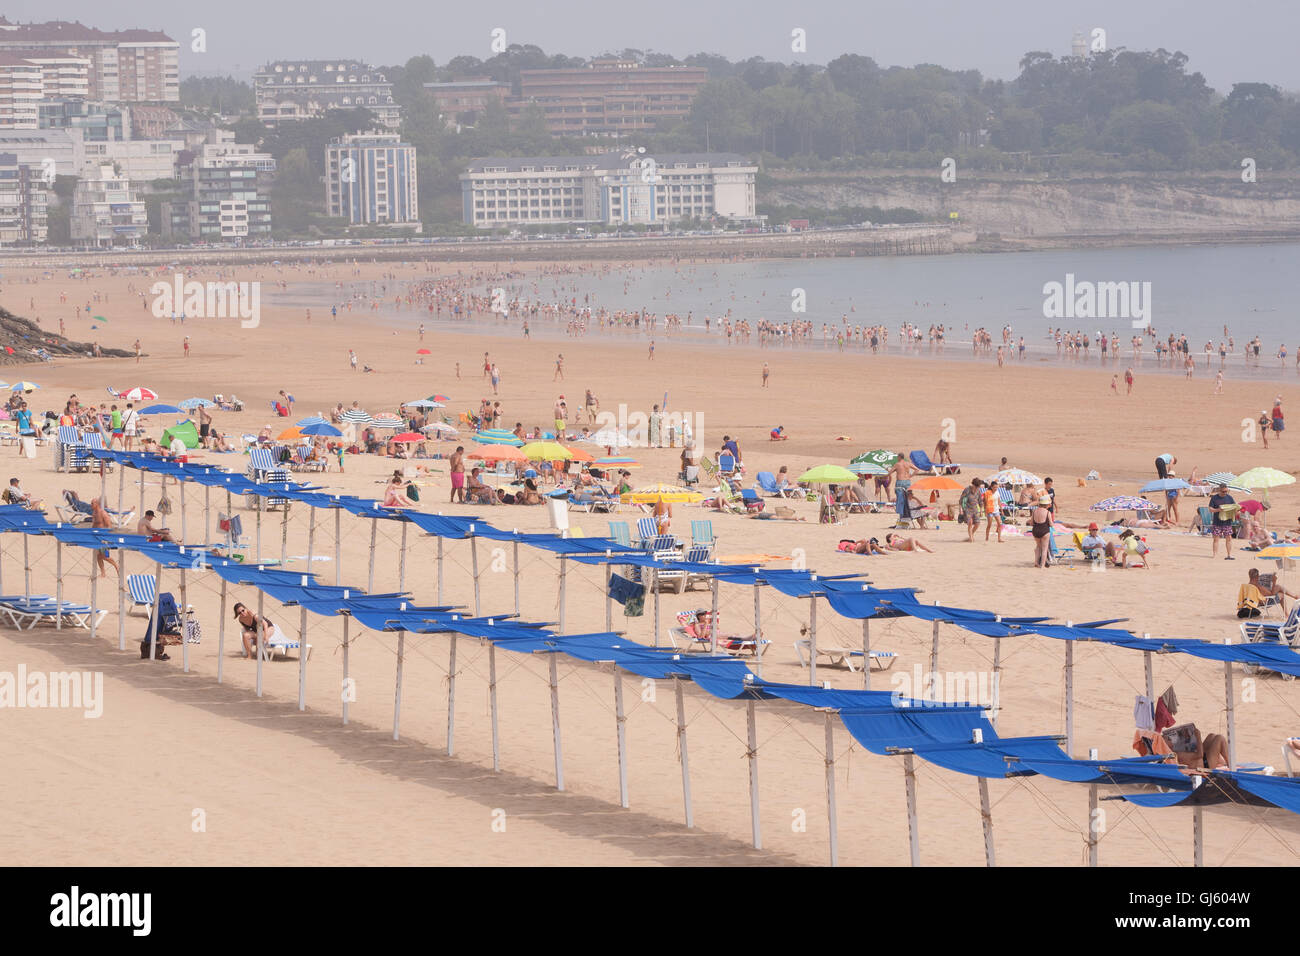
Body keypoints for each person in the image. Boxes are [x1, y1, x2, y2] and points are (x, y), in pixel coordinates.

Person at [1208, 483, 1237, 559]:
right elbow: (1210, 509)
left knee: (1229, 538)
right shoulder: (1214, 498)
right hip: (1217, 521)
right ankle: (1214, 555)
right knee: (1216, 539)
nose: (1225, 493)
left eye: (1226, 491)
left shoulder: (1229, 498)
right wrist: (1218, 510)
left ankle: (1229, 554)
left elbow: (1234, 507)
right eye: (1223, 491)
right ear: (1219, 490)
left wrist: (1237, 510)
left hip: (1227, 521)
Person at [1030, 495, 1053, 568]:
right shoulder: (1047, 512)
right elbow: (1051, 524)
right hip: (1044, 530)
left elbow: (1031, 523)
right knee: (1044, 548)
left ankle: (1036, 562)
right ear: (1047, 504)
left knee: (1038, 547)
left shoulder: (1034, 511)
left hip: (1035, 530)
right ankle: (1042, 565)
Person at [959, 477, 984, 542]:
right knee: (970, 522)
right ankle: (971, 538)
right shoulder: (967, 490)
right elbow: (961, 500)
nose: (977, 489)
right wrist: (960, 509)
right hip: (967, 508)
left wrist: (981, 510)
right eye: (976, 487)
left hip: (975, 509)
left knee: (977, 523)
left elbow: (980, 500)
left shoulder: (978, 491)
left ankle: (971, 535)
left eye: (978, 487)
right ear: (973, 485)